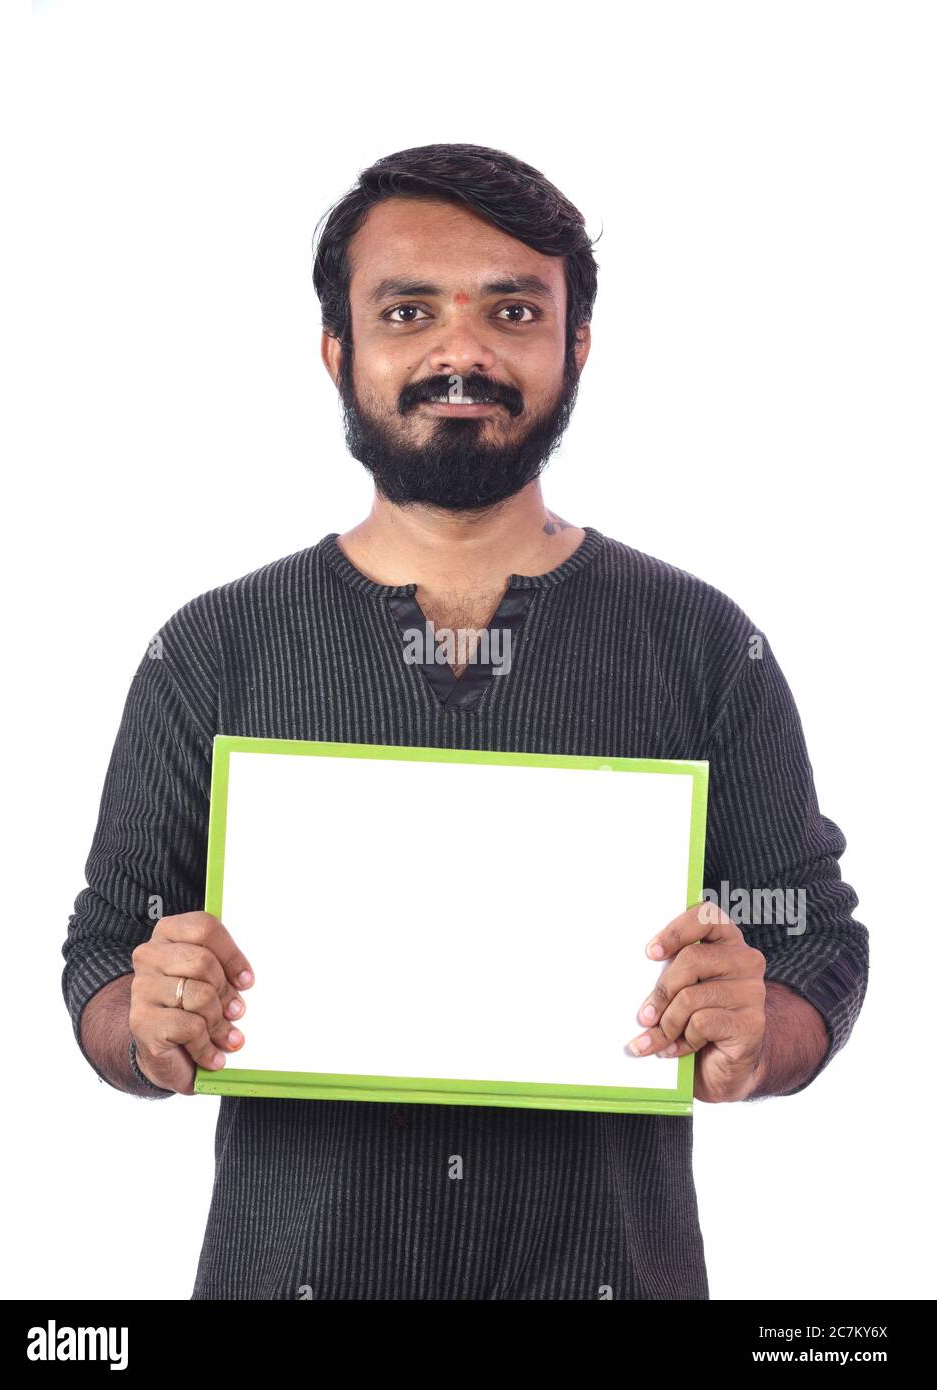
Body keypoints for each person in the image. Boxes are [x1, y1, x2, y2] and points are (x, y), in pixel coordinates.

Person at [61, 143, 869, 1301]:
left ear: (573, 346)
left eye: (512, 310)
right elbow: (102, 948)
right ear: (339, 351)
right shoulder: (212, 648)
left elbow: (819, 939)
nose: (463, 351)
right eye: (408, 310)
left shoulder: (703, 643)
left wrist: (764, 1023)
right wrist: (141, 1019)